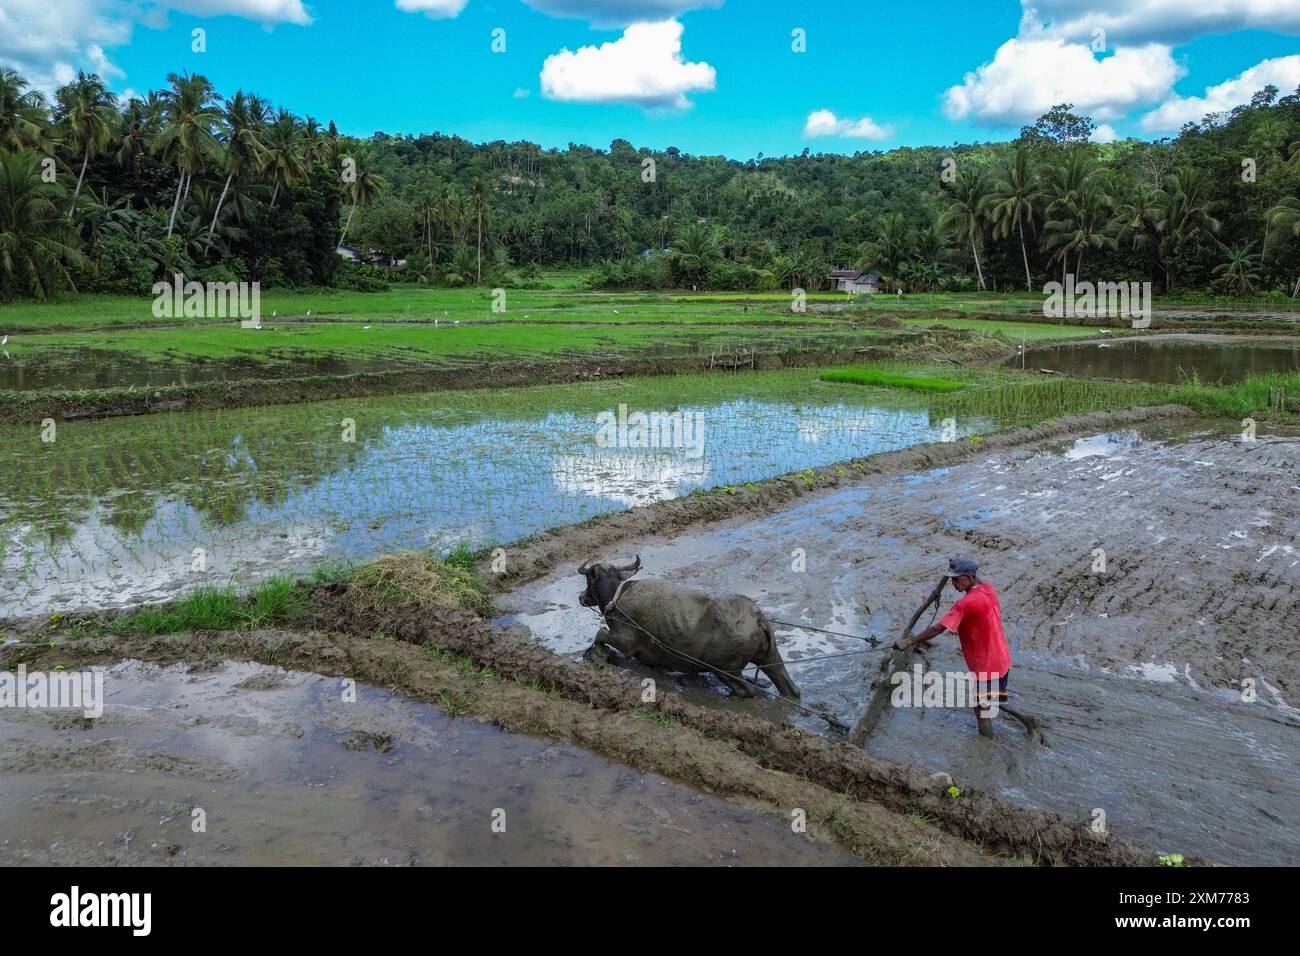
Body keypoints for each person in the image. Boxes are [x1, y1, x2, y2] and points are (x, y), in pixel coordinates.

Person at [894, 556, 1011, 737]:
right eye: (951, 580)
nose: (953, 584)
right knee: (990, 699)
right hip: (1002, 658)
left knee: (982, 709)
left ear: (969, 577)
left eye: (956, 579)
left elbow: (937, 628)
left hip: (987, 665)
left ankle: (986, 744)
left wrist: (910, 641)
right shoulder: (988, 589)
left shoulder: (965, 604)